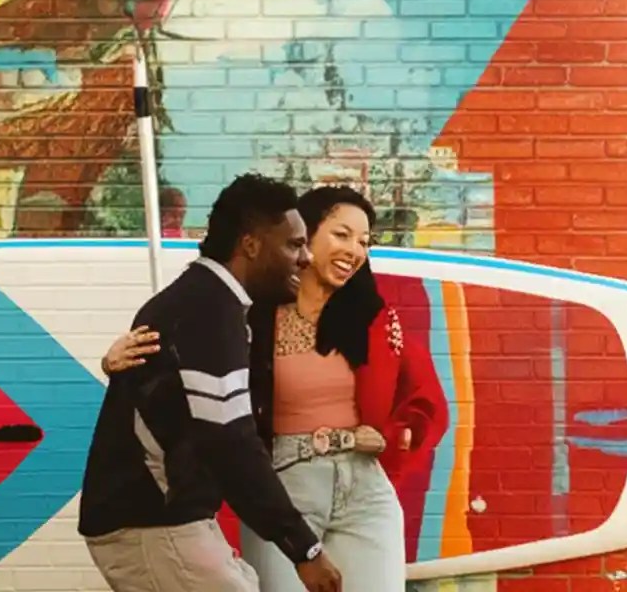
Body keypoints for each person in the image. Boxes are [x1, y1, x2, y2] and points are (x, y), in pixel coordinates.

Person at [103, 184, 449, 592]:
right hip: (284, 482)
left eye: (364, 242)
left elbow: (426, 403)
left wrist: (392, 435)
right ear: (304, 235)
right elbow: (189, 378)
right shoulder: (251, 314)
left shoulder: (374, 319)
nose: (354, 250)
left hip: (364, 490)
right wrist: (115, 365)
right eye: (341, 234)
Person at [78, 174, 343, 592]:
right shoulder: (208, 311)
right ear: (251, 244)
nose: (306, 257)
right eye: (294, 243)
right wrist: (303, 548)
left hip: (161, 521)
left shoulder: (207, 303)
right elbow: (230, 440)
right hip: (153, 523)